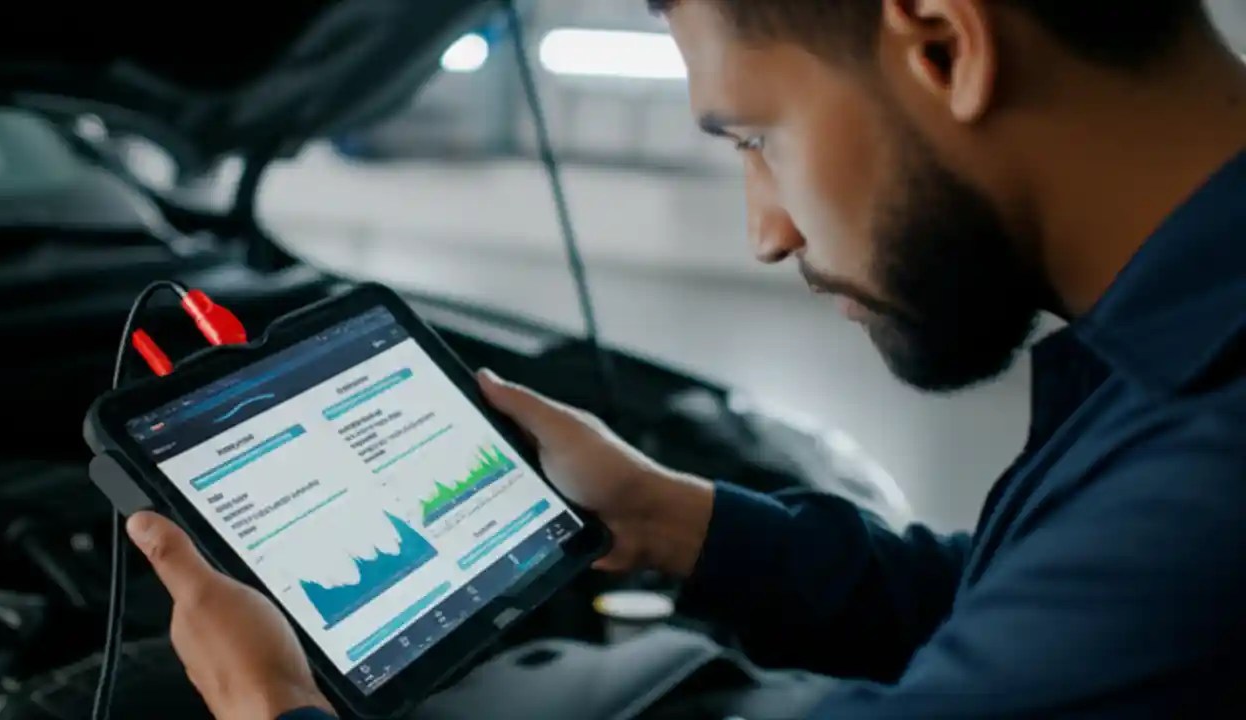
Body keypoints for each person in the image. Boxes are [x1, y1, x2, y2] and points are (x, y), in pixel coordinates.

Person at [124, 0, 1246, 717]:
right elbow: (1025, 619)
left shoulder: (1207, 482)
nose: (768, 232)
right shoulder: (1172, 378)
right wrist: (671, 520)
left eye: (753, 138)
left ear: (942, 44)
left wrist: (277, 710)